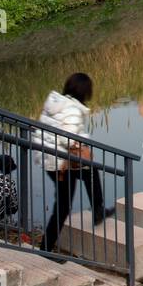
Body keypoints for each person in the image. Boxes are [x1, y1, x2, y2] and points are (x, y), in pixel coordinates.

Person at [39, 73, 113, 257]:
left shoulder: (56, 103)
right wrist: (85, 143)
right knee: (63, 207)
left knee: (89, 171)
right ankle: (45, 251)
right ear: (84, 91)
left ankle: (98, 210)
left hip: (50, 158)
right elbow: (68, 138)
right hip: (61, 162)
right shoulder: (72, 109)